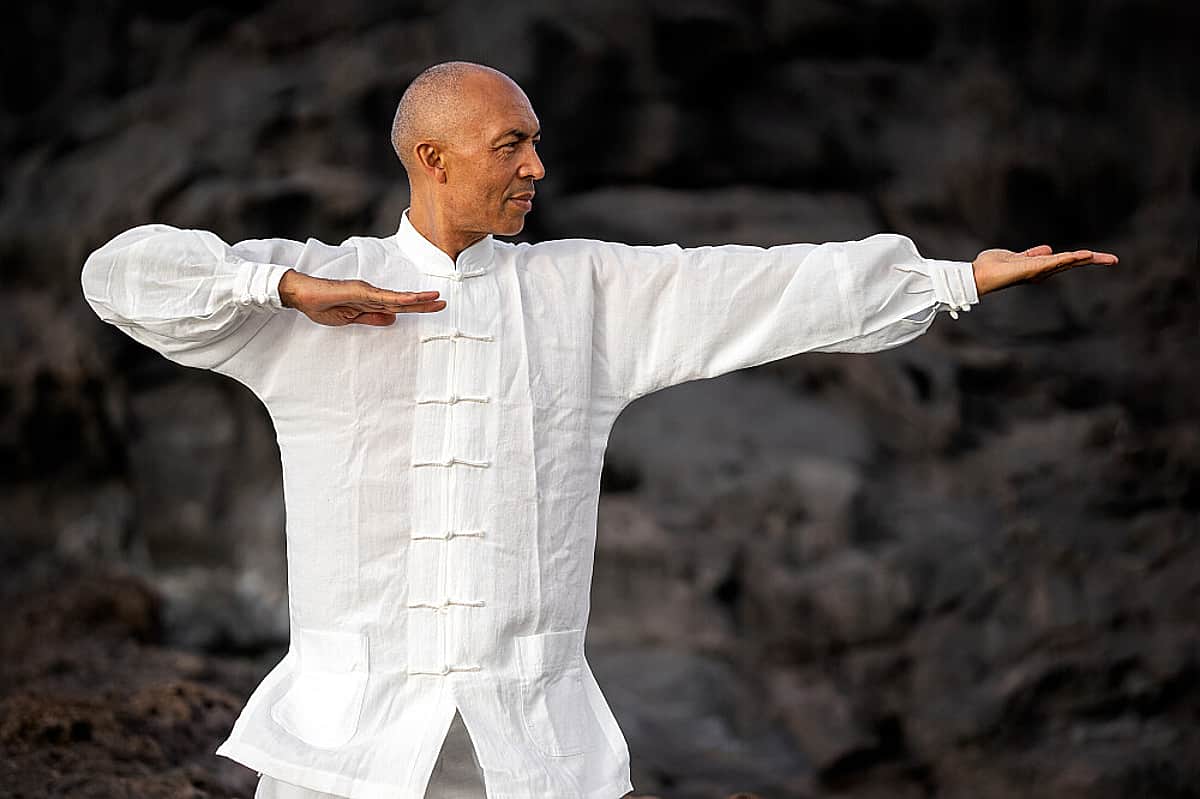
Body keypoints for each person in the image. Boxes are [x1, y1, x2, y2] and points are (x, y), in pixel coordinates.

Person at [79, 60, 1118, 799]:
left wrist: (954, 278)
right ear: (433, 160)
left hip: (531, 750)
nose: (537, 166)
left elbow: (759, 286)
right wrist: (285, 283)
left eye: (536, 142)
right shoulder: (309, 293)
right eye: (512, 144)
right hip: (344, 748)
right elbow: (118, 275)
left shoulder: (580, 290)